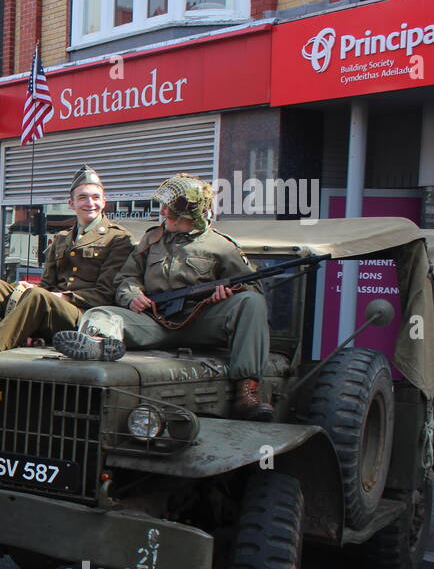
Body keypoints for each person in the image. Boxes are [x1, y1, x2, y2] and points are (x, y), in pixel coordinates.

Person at [54, 173, 275, 421]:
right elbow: (126, 278)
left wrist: (229, 294)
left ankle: (247, 391)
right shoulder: (152, 239)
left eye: (170, 212)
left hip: (201, 322)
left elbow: (252, 287)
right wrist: (132, 295)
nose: (163, 214)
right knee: (101, 314)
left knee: (251, 302)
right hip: (154, 322)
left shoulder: (221, 246)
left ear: (190, 217)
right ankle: (98, 346)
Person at [0, 166, 133, 357]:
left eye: (96, 197)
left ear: (104, 202)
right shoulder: (62, 238)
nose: (90, 203)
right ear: (71, 203)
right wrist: (26, 287)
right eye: (83, 197)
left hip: (85, 315)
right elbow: (47, 285)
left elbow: (107, 293)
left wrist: (63, 297)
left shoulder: (118, 238)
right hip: (50, 305)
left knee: (37, 296)